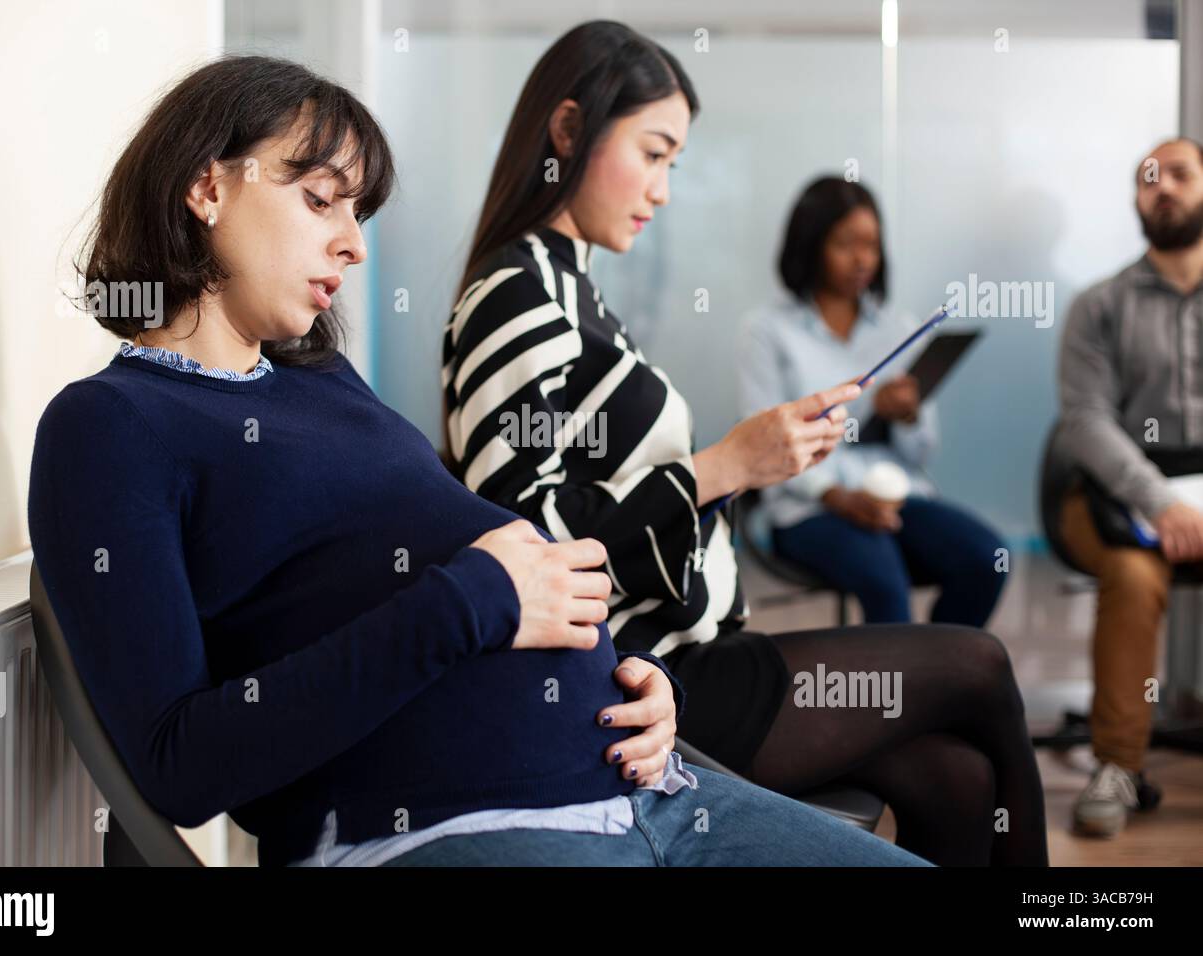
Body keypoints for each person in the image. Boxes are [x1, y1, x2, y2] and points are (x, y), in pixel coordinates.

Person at [27, 54, 926, 868]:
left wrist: (638, 691)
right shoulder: (111, 425)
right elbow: (181, 766)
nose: (354, 243)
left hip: (656, 794)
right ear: (206, 187)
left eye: (359, 211)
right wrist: (479, 598)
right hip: (437, 828)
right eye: (319, 199)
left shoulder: (327, 385)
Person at [443, 20, 1047, 866]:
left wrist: (753, 459)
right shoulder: (518, 295)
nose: (661, 188)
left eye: (674, 165)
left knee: (955, 780)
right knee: (978, 666)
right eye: (652, 153)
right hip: (646, 681)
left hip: (690, 654)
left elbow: (614, 494)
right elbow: (523, 540)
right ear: (569, 130)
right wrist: (725, 465)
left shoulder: (570, 290)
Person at [738, 176, 1007, 627]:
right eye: (846, 244)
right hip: (808, 506)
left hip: (896, 498)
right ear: (810, 244)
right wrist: (835, 495)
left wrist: (907, 417)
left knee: (988, 558)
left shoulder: (897, 328)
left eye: (872, 245)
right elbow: (763, 445)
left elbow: (922, 453)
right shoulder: (766, 331)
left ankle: (944, 678)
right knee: (884, 581)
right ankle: (895, 696)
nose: (863, 259)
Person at [1055, 137, 1203, 838]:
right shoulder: (1100, 304)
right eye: (1149, 179)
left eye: (1179, 174)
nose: (1163, 188)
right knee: (1135, 574)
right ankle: (1117, 762)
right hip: (1116, 500)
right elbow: (1085, 420)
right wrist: (1161, 501)